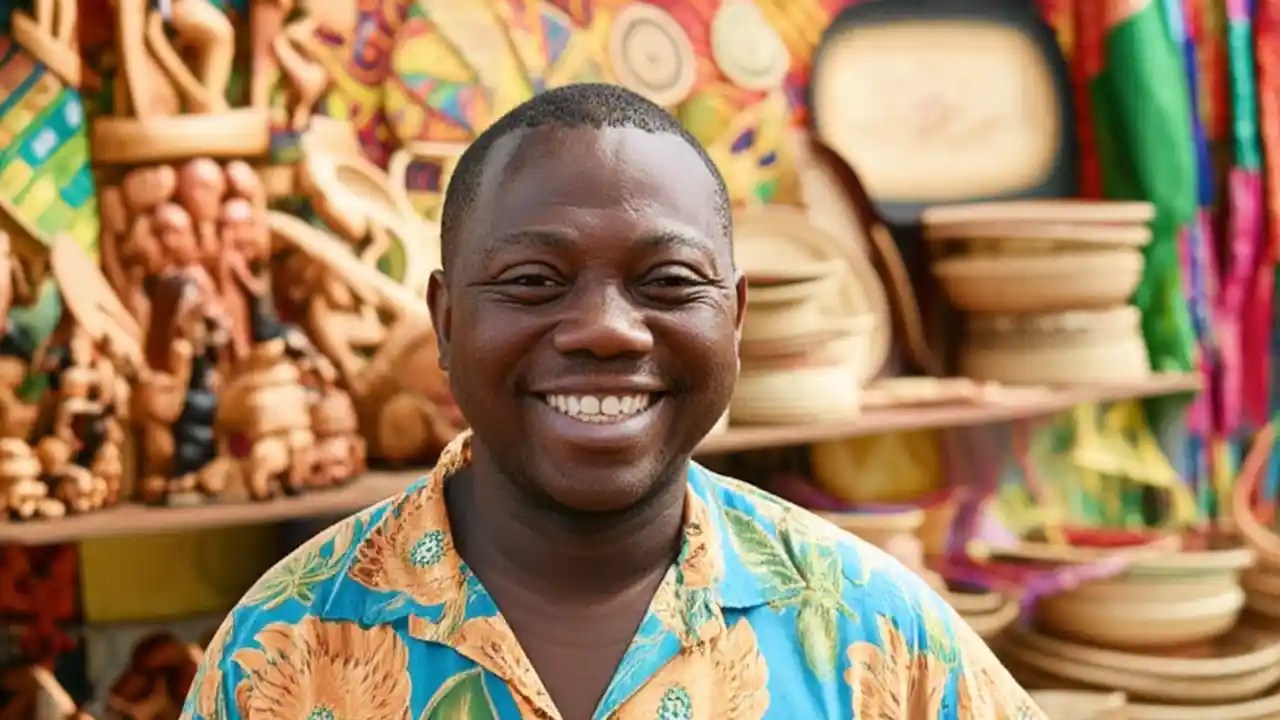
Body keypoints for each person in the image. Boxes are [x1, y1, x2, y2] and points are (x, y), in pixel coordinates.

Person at [178, 83, 1044, 720]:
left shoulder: (879, 637)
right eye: (533, 281)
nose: (605, 330)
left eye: (666, 281)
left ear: (734, 320)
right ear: (444, 322)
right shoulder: (280, 647)